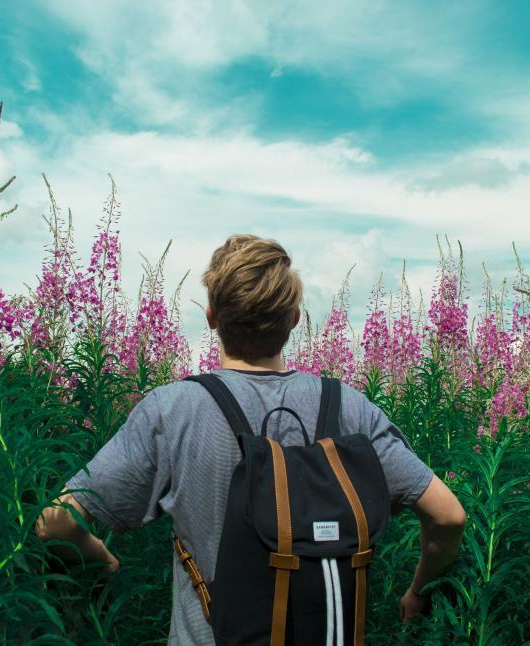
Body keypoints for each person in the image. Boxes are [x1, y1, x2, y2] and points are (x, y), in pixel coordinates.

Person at [36, 234, 467, 644]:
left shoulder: (173, 410)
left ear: (211, 319)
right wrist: (419, 591)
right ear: (295, 319)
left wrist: (100, 557)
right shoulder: (352, 408)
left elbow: (56, 523)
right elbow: (448, 517)